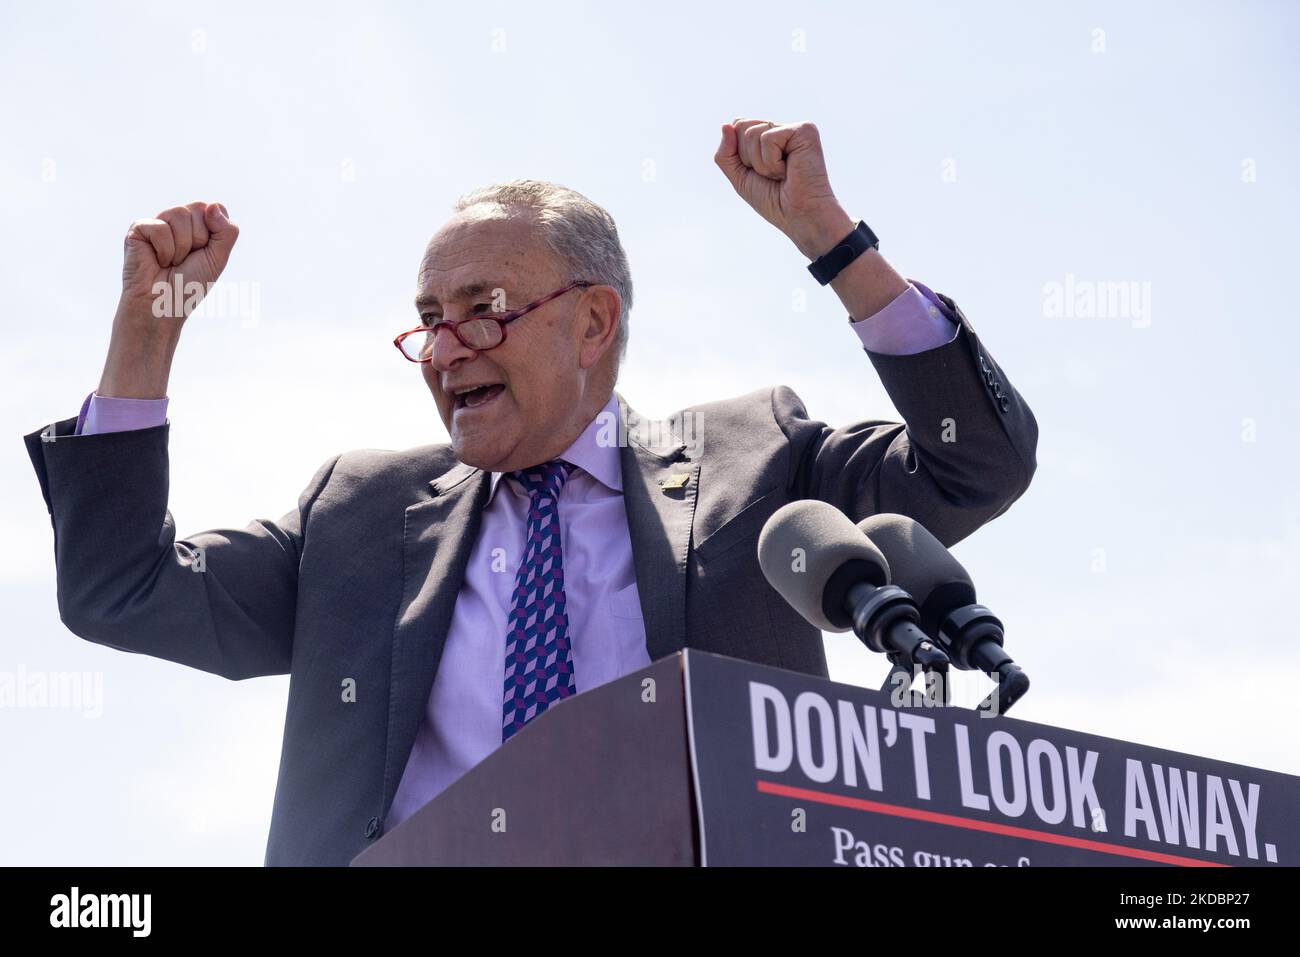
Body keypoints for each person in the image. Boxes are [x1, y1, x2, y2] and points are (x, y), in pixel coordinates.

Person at [23, 118, 1038, 865]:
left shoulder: (753, 459)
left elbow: (971, 462)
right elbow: (122, 590)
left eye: (485, 309)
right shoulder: (360, 515)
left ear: (592, 324)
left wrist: (835, 243)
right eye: (430, 318)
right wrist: (148, 332)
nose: (445, 347)